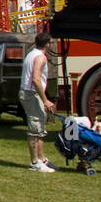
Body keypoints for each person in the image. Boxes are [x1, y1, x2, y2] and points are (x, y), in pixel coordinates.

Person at [20, 32, 57, 173]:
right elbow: (36, 79)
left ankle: (42, 160)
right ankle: (35, 162)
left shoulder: (31, 53)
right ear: (47, 44)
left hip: (29, 93)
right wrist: (45, 100)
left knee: (40, 127)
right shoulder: (40, 57)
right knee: (35, 129)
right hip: (31, 94)